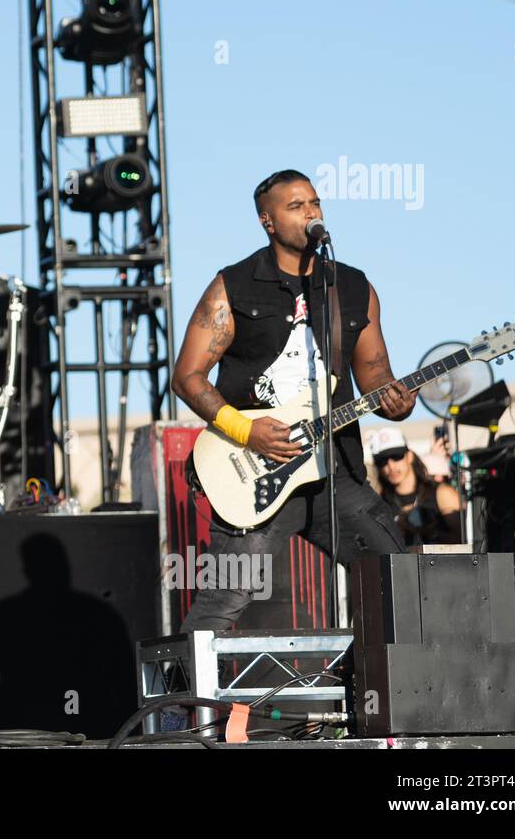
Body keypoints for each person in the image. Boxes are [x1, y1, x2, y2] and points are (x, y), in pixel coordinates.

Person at [171, 169, 410, 631]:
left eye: (315, 203)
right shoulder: (235, 285)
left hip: (335, 470)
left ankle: (374, 694)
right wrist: (247, 431)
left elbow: (376, 377)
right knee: (224, 600)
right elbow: (187, 377)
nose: (311, 213)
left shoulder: (353, 287)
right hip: (255, 466)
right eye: (296, 206)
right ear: (268, 221)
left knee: (394, 577)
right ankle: (180, 703)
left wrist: (397, 401)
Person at [368, 427, 463, 545]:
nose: (391, 466)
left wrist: (429, 531)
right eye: (382, 461)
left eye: (396, 456)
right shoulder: (379, 505)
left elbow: (466, 539)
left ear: (410, 456)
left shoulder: (442, 493)